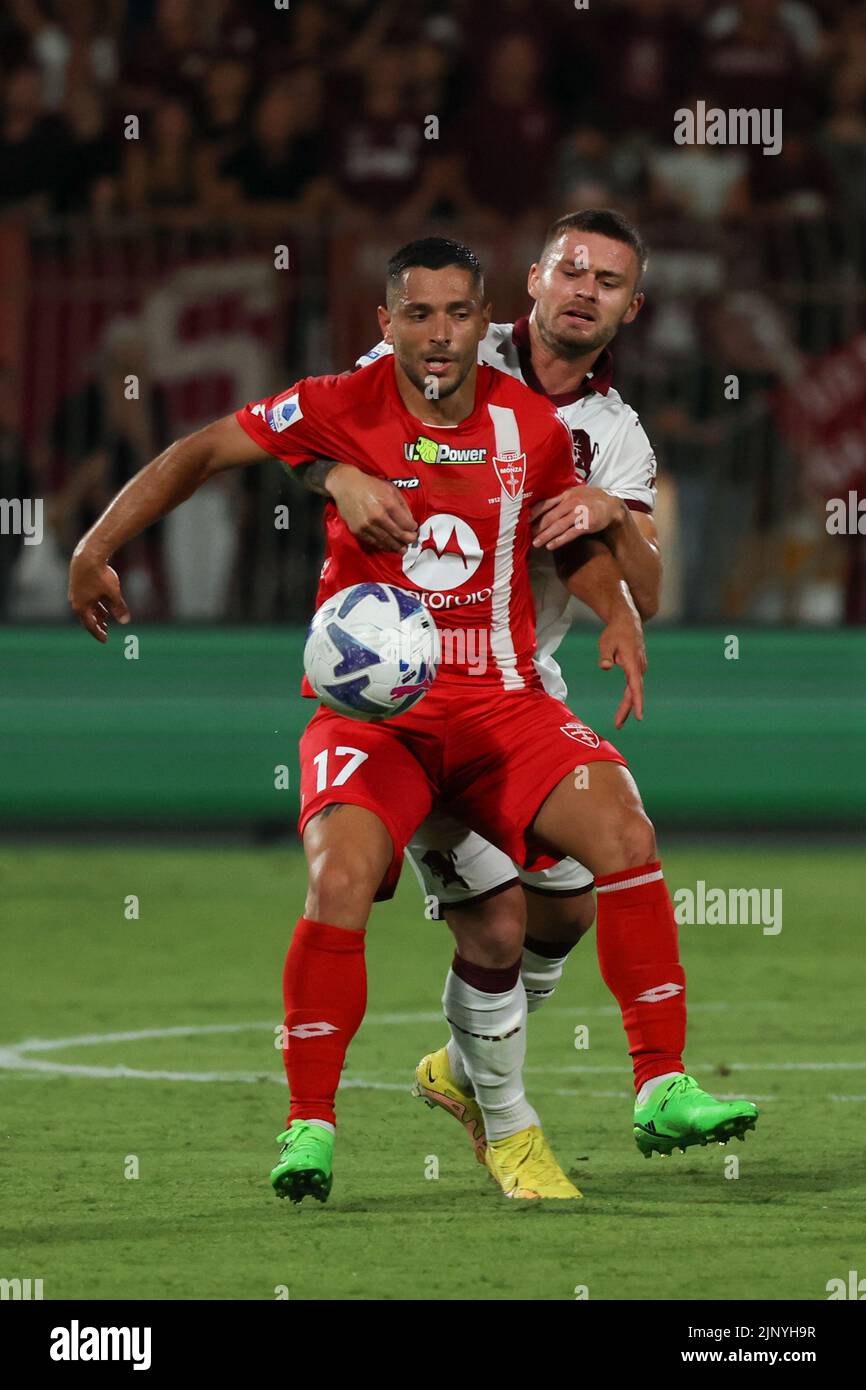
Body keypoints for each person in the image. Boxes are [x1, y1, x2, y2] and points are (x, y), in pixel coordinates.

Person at [67, 237, 749, 1206]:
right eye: (416, 316)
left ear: (484, 324)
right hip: (375, 718)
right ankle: (312, 1124)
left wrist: (619, 617)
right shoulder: (346, 401)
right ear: (382, 326)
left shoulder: (541, 429)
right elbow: (210, 447)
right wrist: (99, 544)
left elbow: (572, 539)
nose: (437, 335)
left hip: (505, 700)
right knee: (349, 878)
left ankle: (658, 1083)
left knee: (618, 837)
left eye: (454, 315)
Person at [301, 212, 758, 1175]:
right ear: (534, 283)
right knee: (500, 922)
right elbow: (313, 429)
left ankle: (464, 1065)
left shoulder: (616, 434)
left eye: (610, 281)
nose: (586, 289)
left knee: (569, 909)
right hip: (409, 685)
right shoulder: (446, 343)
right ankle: (508, 1126)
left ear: (631, 310)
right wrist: (340, 472)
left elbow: (649, 581)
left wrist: (607, 520)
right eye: (573, 269)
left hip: (522, 683)